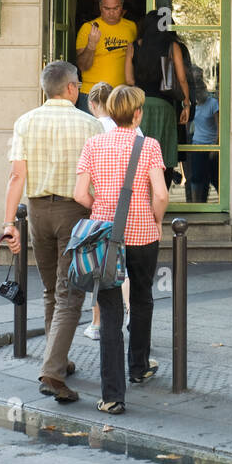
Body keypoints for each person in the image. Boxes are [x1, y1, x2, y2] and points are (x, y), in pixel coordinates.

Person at [2, 61, 103, 403]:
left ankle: (57, 358)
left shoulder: (25, 122)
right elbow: (98, 179)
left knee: (50, 289)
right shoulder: (89, 125)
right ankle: (53, 373)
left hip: (37, 211)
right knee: (70, 294)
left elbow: (17, 177)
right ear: (72, 88)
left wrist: (8, 223)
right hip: (74, 212)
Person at [74, 85, 169, 415]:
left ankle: (112, 395)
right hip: (143, 234)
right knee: (142, 297)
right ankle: (139, 366)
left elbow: (79, 193)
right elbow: (160, 194)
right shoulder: (149, 146)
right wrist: (156, 221)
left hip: (104, 237)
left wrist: (99, 207)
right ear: (138, 114)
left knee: (110, 310)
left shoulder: (93, 144)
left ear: (109, 112)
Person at [82, 82, 138, 342]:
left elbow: (81, 187)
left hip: (102, 211)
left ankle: (97, 323)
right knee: (124, 268)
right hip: (130, 211)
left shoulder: (92, 132)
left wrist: (94, 201)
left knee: (101, 269)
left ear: (93, 104)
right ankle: (127, 313)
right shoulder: (134, 132)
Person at [126, 10, 188, 190]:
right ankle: (161, 198)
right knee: (164, 154)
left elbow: (129, 80)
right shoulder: (172, 46)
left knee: (139, 154)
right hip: (165, 106)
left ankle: (141, 196)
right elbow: (181, 78)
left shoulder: (134, 46)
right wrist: (186, 104)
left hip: (140, 105)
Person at [75, 0, 138, 96]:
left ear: (122, 7)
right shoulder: (88, 28)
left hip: (121, 94)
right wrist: (91, 45)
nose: (111, 13)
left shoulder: (131, 27)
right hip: (93, 94)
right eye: (107, 8)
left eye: (116, 8)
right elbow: (83, 67)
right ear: (100, 8)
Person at [187, 67, 220, 204]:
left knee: (215, 178)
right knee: (196, 178)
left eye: (200, 91)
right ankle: (196, 205)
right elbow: (188, 125)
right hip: (197, 145)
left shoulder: (212, 104)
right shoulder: (193, 106)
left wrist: (215, 147)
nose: (198, 95)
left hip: (211, 146)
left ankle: (222, 204)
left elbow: (220, 127)